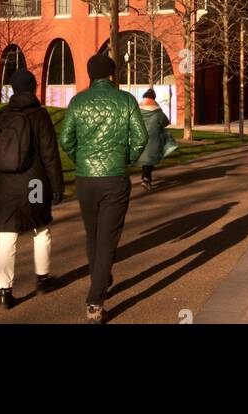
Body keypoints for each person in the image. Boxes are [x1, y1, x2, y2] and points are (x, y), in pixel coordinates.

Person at [58, 53, 148, 324]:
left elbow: (65, 139)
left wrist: (80, 159)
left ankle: (99, 277)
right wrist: (128, 158)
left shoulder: (78, 101)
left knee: (92, 233)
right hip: (114, 177)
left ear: (90, 74)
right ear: (111, 74)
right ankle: (95, 302)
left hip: (85, 179)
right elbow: (141, 137)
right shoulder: (126, 100)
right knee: (108, 238)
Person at [0, 67, 65, 309]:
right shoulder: (39, 115)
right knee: (40, 229)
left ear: (12, 88)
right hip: (34, 182)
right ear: (32, 88)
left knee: (6, 236)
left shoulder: (1, 115)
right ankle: (42, 280)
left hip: (7, 184)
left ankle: (4, 291)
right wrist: (57, 186)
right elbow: (50, 154)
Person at [136, 87, 172, 191]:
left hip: (140, 136)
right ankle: (146, 179)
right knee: (149, 159)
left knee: (146, 158)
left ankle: (146, 178)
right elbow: (165, 122)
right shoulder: (157, 111)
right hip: (153, 138)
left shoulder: (138, 109)